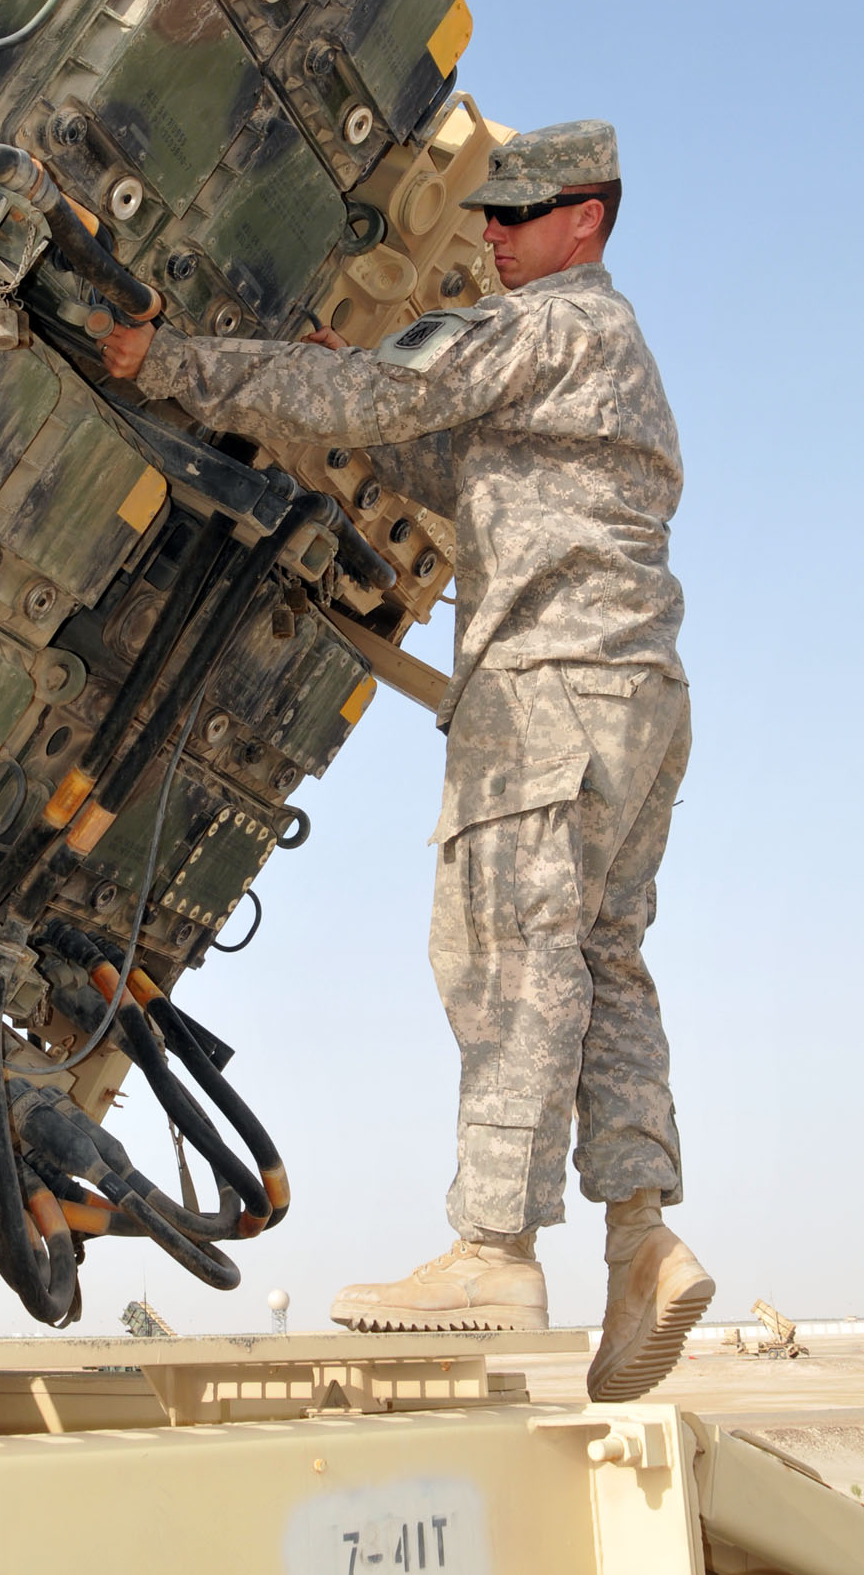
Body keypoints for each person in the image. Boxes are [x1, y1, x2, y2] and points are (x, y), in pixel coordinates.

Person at [99, 119, 712, 1403]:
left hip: (547, 687)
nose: (490, 235)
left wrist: (176, 365)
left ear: (585, 220)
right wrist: (347, 398)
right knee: (600, 959)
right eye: (487, 214)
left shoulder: (548, 323)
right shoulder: (604, 351)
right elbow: (454, 459)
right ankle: (640, 1233)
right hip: (636, 692)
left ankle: (491, 1249)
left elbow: (389, 396)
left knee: (504, 952)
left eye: (518, 216)